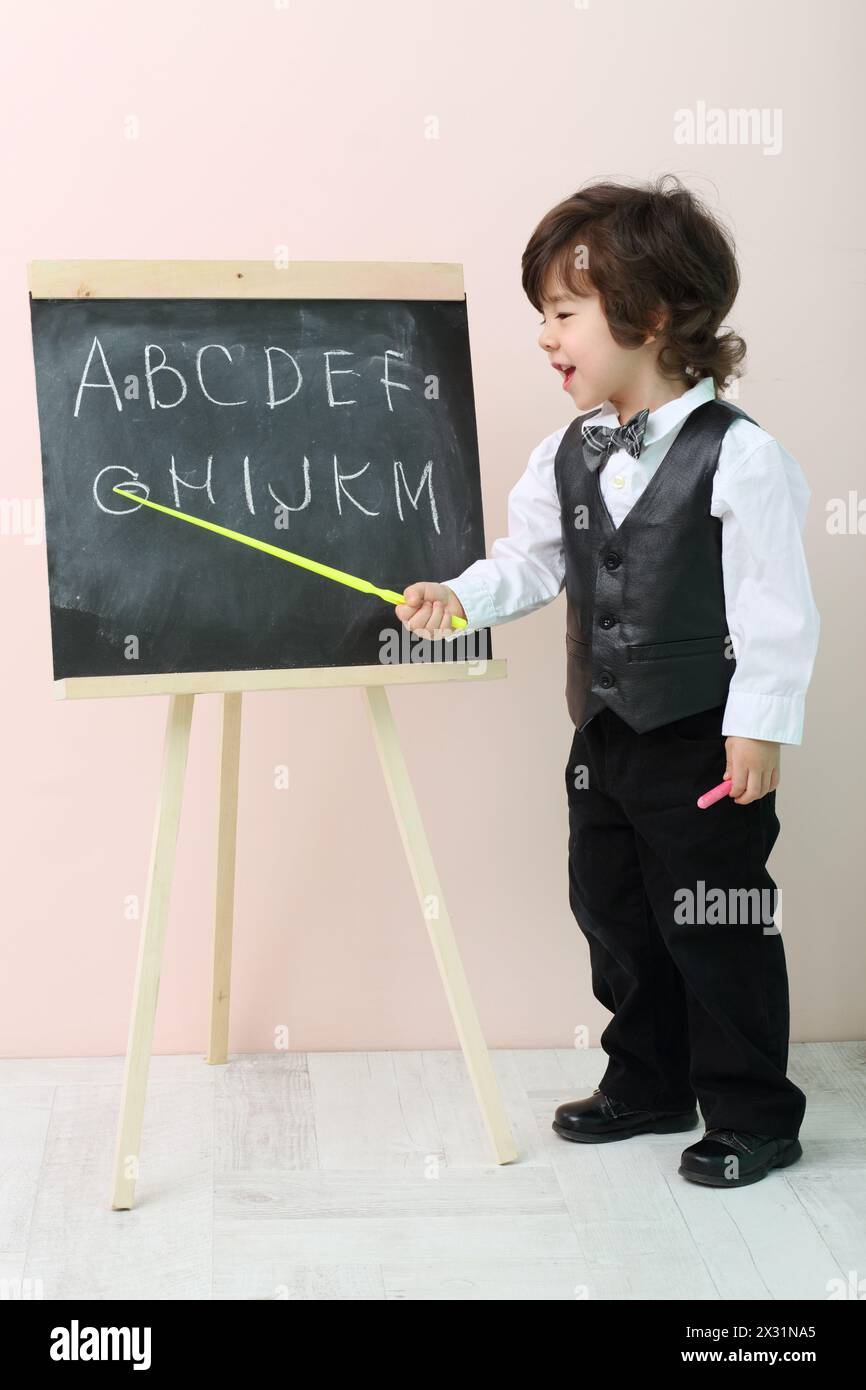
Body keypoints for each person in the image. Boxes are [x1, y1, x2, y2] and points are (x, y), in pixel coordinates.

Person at [394, 175, 821, 1189]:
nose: (545, 337)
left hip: (703, 739)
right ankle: (648, 1078)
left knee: (713, 917)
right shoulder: (564, 454)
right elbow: (532, 563)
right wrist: (458, 598)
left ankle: (753, 1113)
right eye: (540, 315)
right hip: (604, 735)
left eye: (561, 312)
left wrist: (756, 730)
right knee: (613, 907)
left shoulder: (740, 458)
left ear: (653, 315)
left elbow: (773, 608)